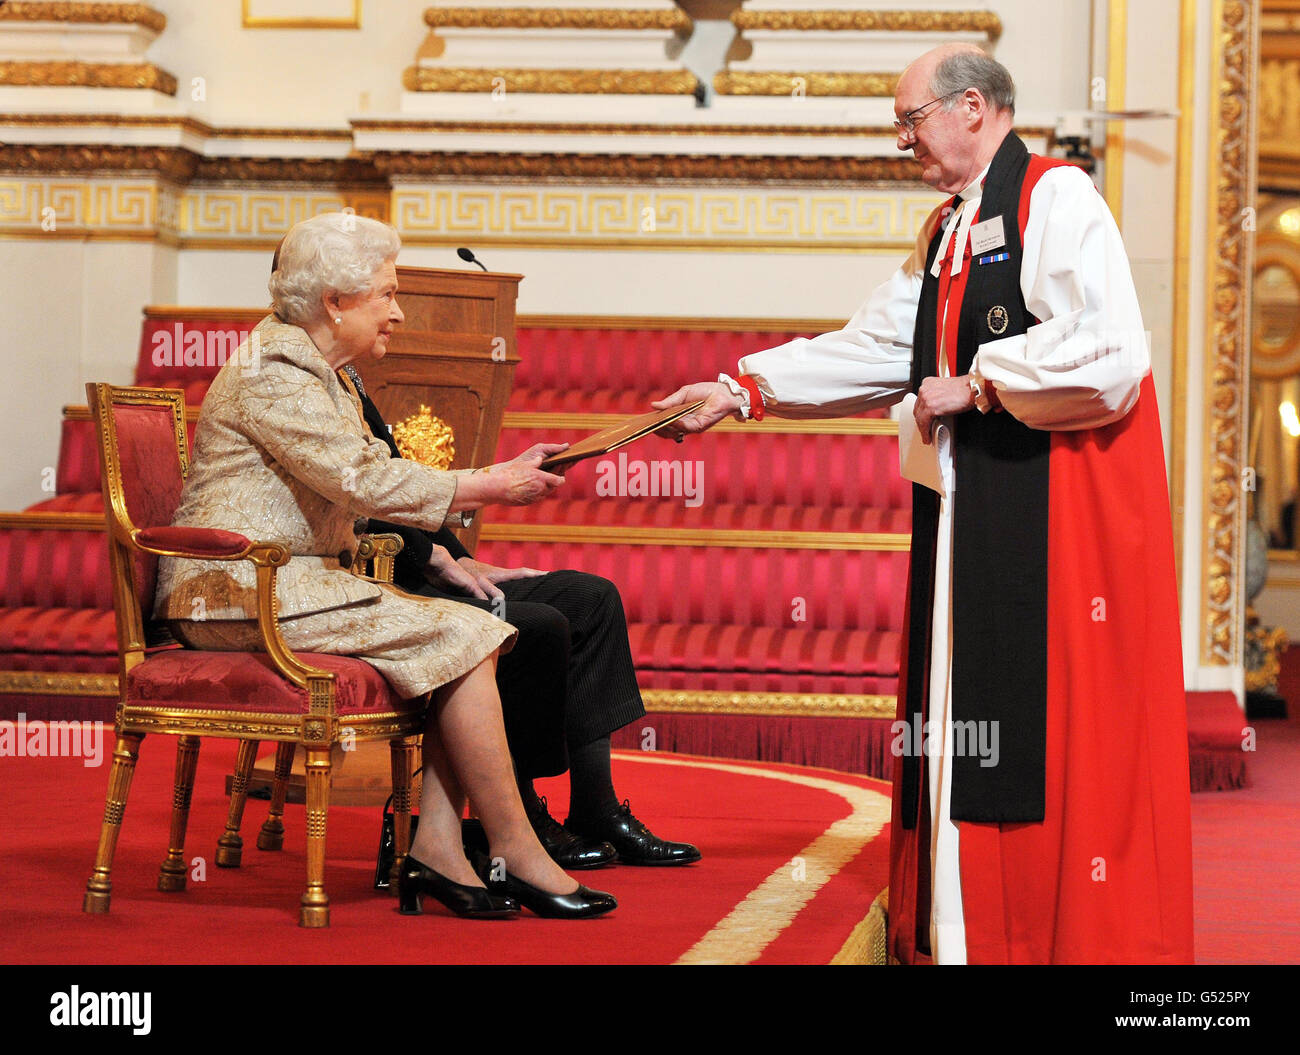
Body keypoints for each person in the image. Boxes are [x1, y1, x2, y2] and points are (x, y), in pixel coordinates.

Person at [654, 43, 1194, 964]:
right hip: (970, 512)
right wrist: (740, 388)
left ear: (972, 106)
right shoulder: (949, 227)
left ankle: (1048, 937)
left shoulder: (1055, 199)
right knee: (958, 728)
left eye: (911, 120)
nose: (903, 141)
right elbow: (877, 348)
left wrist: (983, 382)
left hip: (1049, 527)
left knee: (1033, 738)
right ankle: (961, 933)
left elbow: (1111, 357)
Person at [154, 212, 617, 920]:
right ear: (335, 302)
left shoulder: (321, 367)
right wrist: (493, 483)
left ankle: (438, 843)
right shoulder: (274, 368)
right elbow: (363, 479)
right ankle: (514, 848)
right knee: (468, 635)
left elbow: (368, 475)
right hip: (238, 589)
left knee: (470, 631)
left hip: (292, 581)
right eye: (386, 294)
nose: (398, 310)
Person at [350, 382, 701, 869]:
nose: (395, 312)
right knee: (532, 625)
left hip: (422, 562)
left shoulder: (350, 381)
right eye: (384, 299)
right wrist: (437, 552)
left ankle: (596, 808)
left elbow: (403, 490)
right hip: (375, 579)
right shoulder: (307, 383)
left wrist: (463, 558)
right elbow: (361, 497)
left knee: (590, 598)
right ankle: (520, 816)